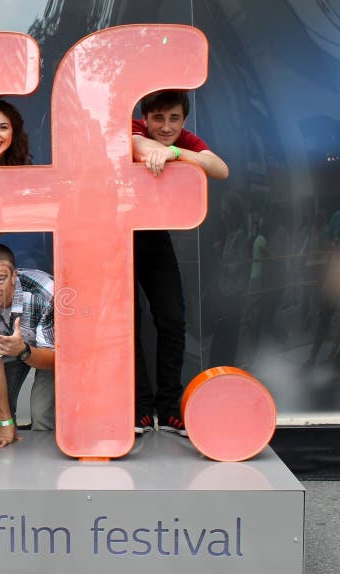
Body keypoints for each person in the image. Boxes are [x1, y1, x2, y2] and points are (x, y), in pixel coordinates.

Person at [131, 90, 229, 437]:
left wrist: (173, 151)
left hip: (154, 235)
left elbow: (220, 168)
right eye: (158, 118)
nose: (167, 126)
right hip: (117, 235)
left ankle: (169, 408)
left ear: (184, 120)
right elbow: (136, 145)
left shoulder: (179, 138)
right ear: (145, 118)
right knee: (129, 324)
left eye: (174, 118)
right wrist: (155, 148)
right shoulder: (134, 129)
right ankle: (140, 410)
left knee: (172, 320)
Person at [0, 243, 55, 448]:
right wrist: (6, 423)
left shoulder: (45, 293)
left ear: (14, 276)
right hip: (12, 344)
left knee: (42, 415)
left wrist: (24, 351)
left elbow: (54, 358)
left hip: (48, 351)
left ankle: (43, 470)